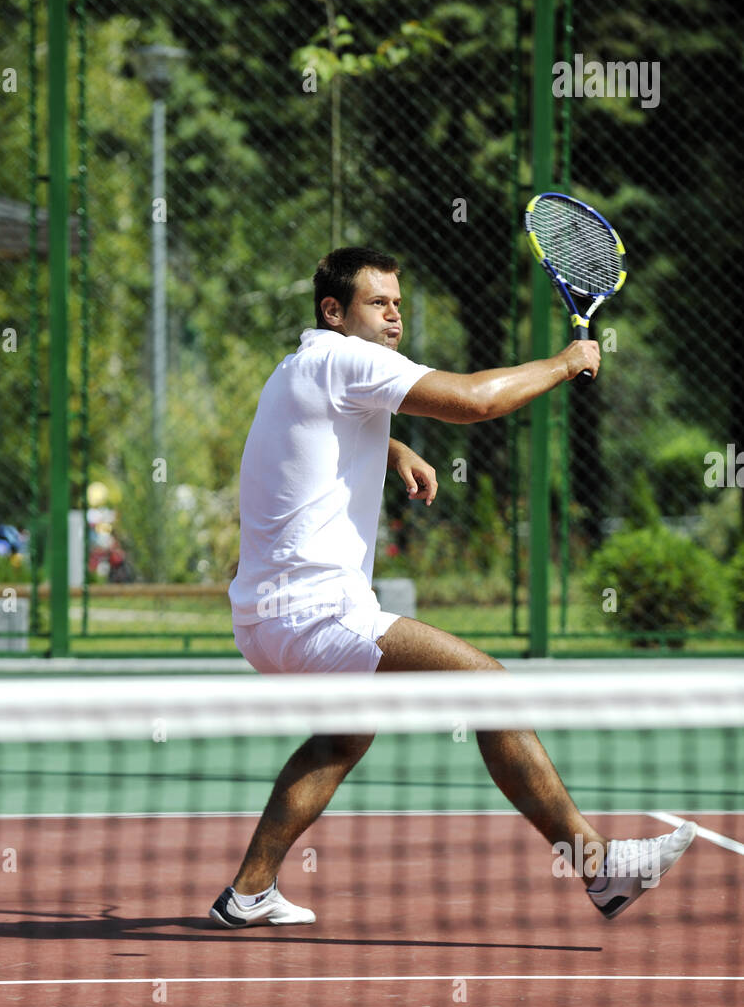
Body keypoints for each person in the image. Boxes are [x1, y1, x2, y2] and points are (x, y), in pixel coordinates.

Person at [211, 246, 695, 928]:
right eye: (379, 303)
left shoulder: (299, 367)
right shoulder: (348, 360)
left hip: (265, 617)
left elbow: (312, 438)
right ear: (334, 311)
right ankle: (598, 866)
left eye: (399, 305)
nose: (394, 316)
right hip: (315, 612)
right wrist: (564, 363)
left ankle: (249, 891)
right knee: (488, 685)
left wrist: (395, 448)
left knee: (344, 735)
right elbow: (474, 401)